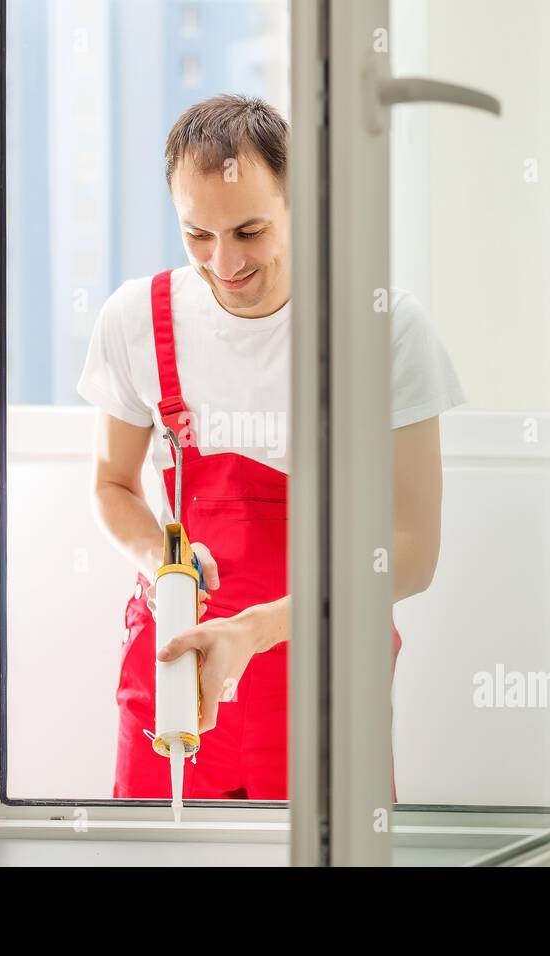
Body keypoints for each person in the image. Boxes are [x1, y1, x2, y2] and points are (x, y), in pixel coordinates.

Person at [76, 94, 465, 800]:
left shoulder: (383, 328)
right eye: (197, 234)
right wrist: (164, 561)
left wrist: (257, 631)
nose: (224, 262)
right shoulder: (137, 320)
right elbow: (113, 485)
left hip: (326, 671)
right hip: (178, 664)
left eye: (249, 230)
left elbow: (412, 549)